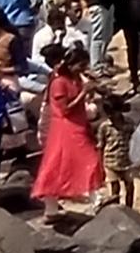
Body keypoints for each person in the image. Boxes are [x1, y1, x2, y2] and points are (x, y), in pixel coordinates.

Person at [30, 42, 104, 206]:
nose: (83, 68)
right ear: (70, 64)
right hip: (65, 127)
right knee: (75, 162)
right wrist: (83, 93)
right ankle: (94, 199)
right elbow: (64, 109)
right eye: (81, 65)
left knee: (73, 162)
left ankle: (90, 197)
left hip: (78, 124)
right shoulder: (59, 83)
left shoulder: (75, 79)